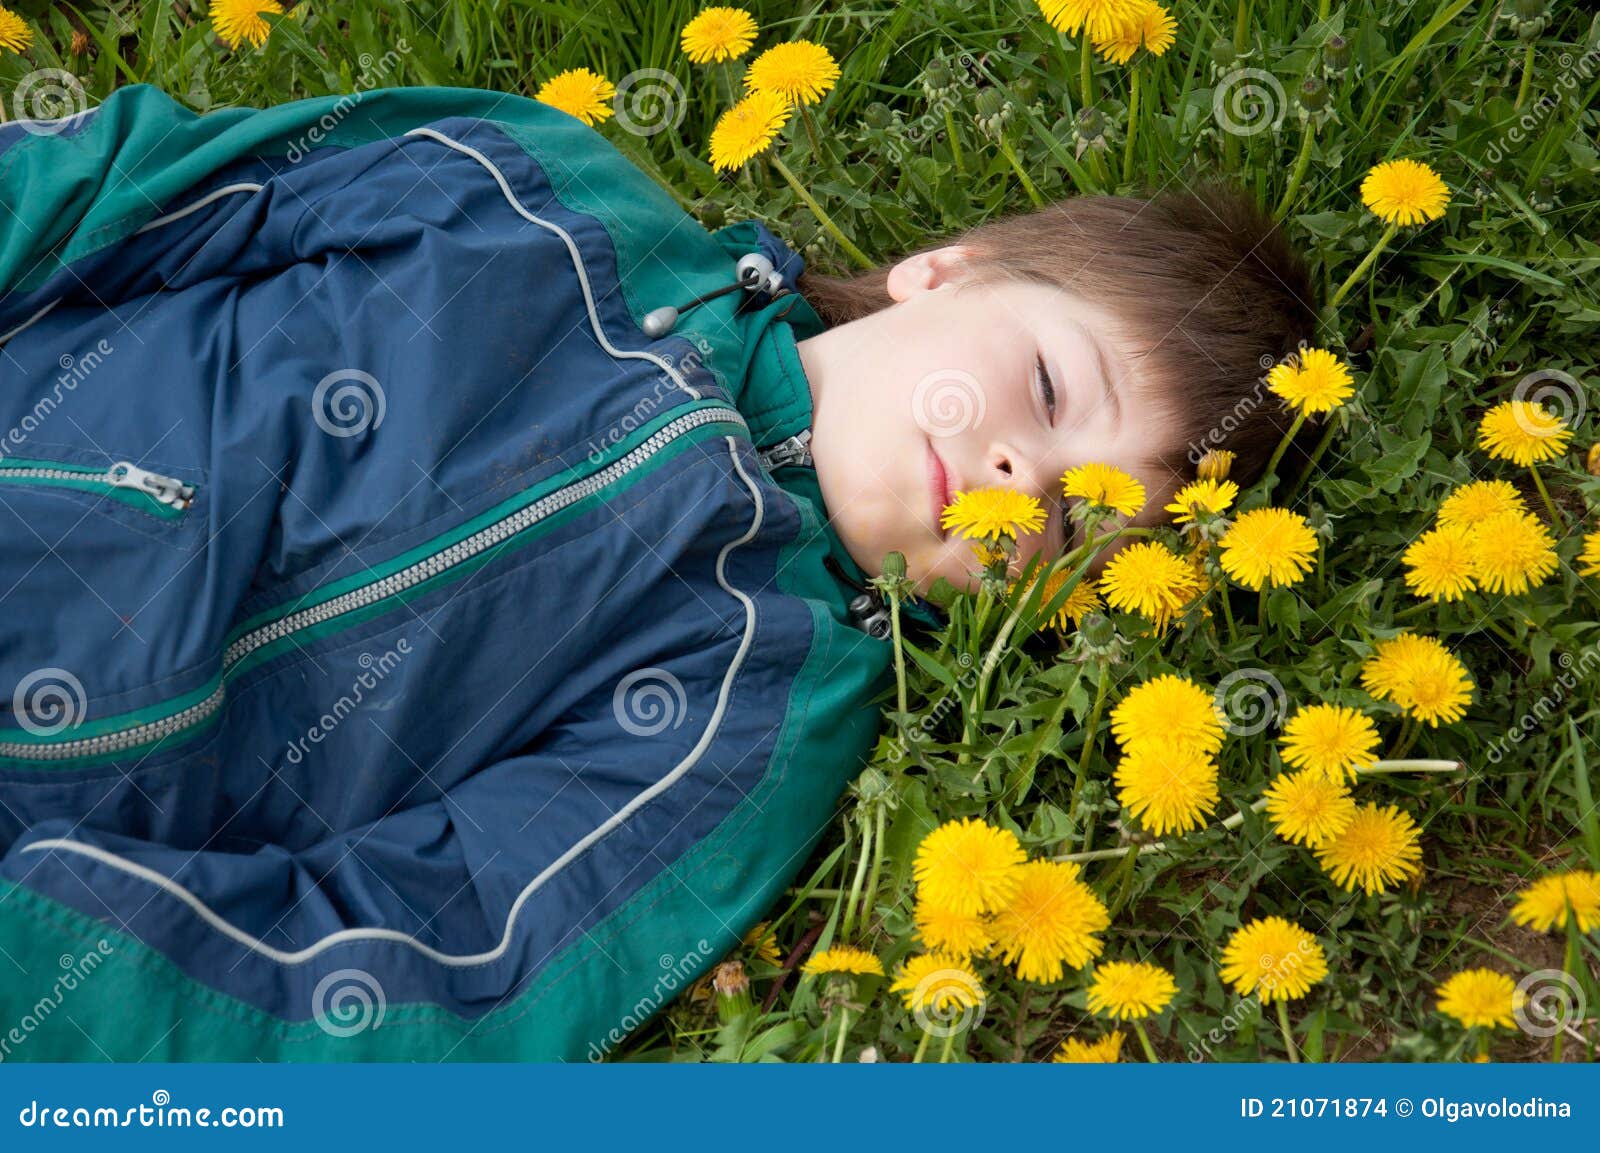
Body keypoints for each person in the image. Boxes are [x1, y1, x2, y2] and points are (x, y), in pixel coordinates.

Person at [0, 83, 1313, 1061]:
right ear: (947, 270)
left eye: (1085, 523)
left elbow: (439, 973)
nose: (1025, 475)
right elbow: (134, 192)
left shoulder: (766, 712)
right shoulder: (533, 187)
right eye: (1044, 385)